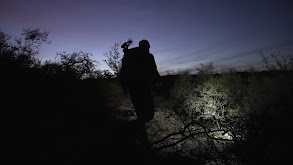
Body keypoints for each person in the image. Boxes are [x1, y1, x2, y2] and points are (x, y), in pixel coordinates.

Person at [119, 39, 160, 145]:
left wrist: (124, 86)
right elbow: (154, 70)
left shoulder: (130, 54)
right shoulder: (147, 56)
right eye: (148, 45)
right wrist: (158, 82)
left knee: (141, 114)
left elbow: (123, 71)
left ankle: (141, 139)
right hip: (143, 88)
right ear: (146, 46)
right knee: (148, 114)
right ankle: (136, 135)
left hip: (135, 89)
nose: (149, 47)